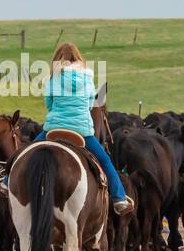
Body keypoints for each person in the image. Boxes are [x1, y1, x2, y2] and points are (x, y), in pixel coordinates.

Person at [36, 43, 133, 215]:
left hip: (54, 128)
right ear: (78, 58)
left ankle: (7, 183)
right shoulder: (87, 79)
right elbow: (90, 105)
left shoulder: (53, 79)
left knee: (25, 152)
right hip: (82, 131)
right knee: (105, 161)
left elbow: (49, 105)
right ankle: (119, 198)